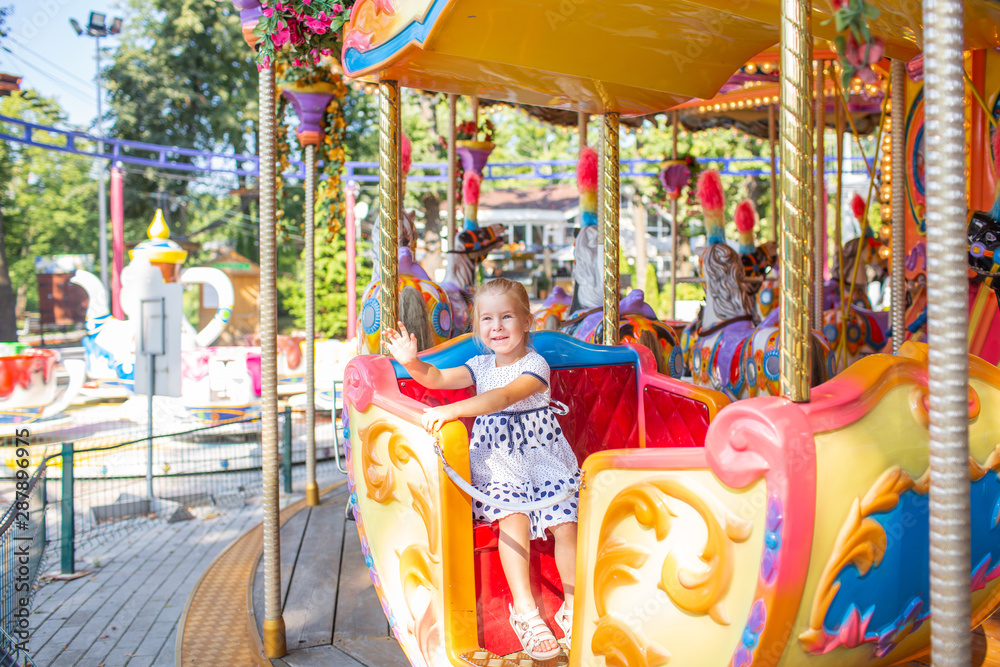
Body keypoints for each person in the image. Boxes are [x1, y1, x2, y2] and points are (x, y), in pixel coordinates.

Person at [384, 277, 580, 660]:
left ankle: (573, 604)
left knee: (565, 522)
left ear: (526, 322)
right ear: (479, 327)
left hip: (541, 457)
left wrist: (453, 409)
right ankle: (524, 610)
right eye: (488, 319)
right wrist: (411, 361)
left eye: (507, 317)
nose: (497, 326)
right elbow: (437, 378)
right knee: (514, 517)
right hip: (498, 459)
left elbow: (503, 397)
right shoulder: (478, 365)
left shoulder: (534, 364)